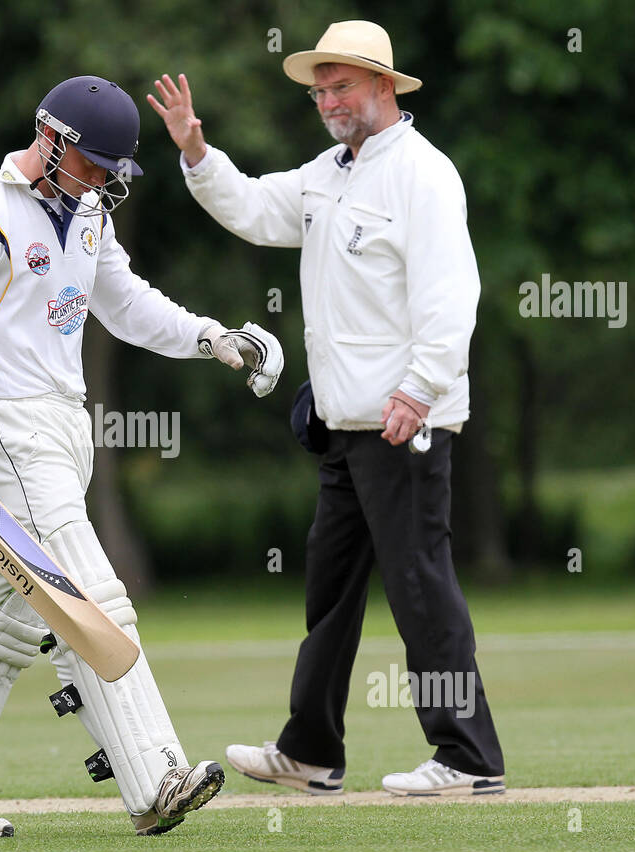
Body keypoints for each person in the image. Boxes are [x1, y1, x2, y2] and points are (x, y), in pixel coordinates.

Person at [0, 75, 285, 838]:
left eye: (111, 169)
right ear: (52, 140)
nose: (103, 179)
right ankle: (154, 776)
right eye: (94, 163)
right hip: (5, 430)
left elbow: (127, 303)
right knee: (91, 599)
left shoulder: (89, 211)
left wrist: (211, 337)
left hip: (65, 431)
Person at [148, 21, 506, 796]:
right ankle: (311, 749)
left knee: (421, 588)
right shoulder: (326, 175)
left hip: (406, 420)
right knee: (329, 593)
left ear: (385, 85)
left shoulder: (425, 173)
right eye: (320, 90)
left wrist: (421, 389)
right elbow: (248, 208)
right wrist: (196, 155)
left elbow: (452, 296)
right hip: (346, 428)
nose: (329, 101)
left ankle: (469, 759)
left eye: (343, 85)